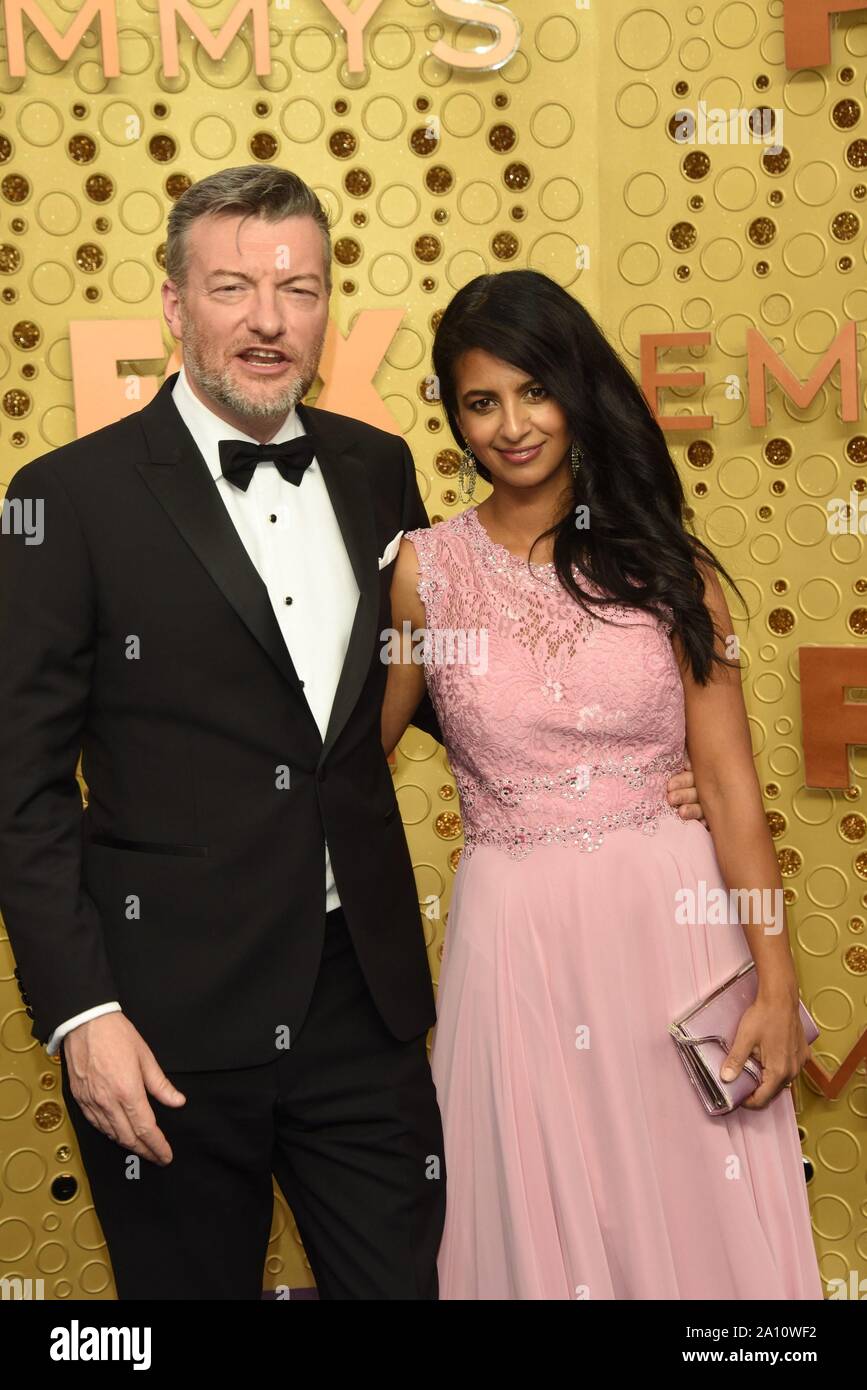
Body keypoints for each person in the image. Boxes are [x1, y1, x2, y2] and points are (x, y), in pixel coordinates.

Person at [0, 165, 452, 1300]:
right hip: (164, 1016)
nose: (267, 319)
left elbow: (424, 684)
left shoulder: (376, 468)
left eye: (298, 289)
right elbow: (21, 784)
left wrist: (625, 776)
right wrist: (81, 1014)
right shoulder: (64, 497)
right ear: (172, 304)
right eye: (234, 286)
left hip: (363, 999)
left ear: (326, 309)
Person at [382, 269, 824, 1300]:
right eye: (481, 401)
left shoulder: (671, 568)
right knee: (534, 1213)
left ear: (579, 392)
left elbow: (730, 790)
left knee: (694, 1221)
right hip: (516, 944)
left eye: (535, 391)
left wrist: (774, 976)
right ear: (455, 417)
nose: (513, 425)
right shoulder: (424, 571)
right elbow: (348, 765)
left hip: (670, 933)